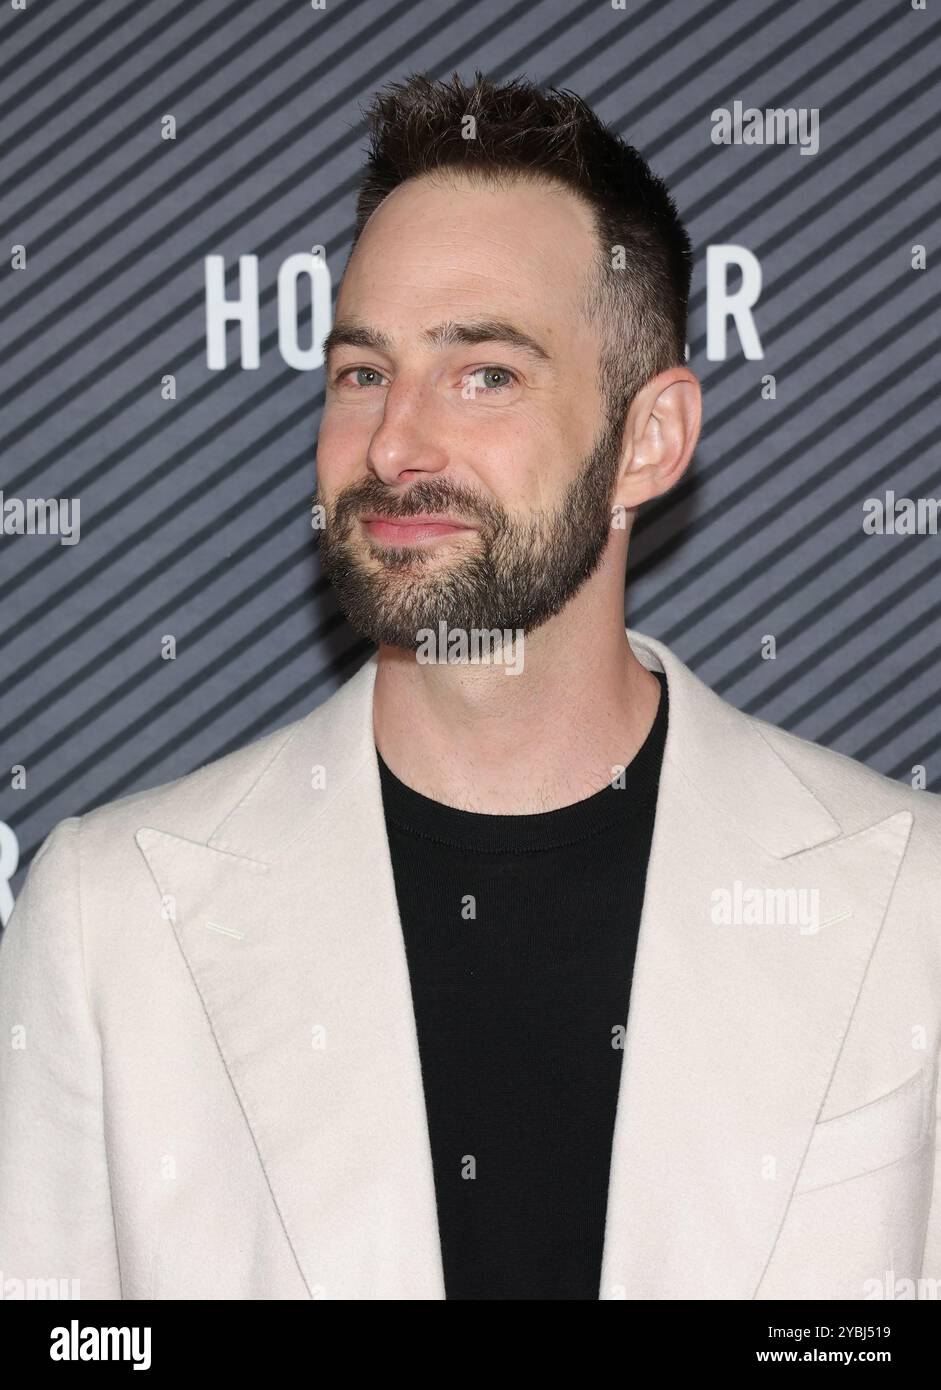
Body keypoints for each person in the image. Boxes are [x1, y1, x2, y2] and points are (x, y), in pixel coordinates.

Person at [0, 70, 938, 1302]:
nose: (392, 444)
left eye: (483, 372)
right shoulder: (105, 922)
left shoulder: (905, 908)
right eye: (359, 373)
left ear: (647, 441)